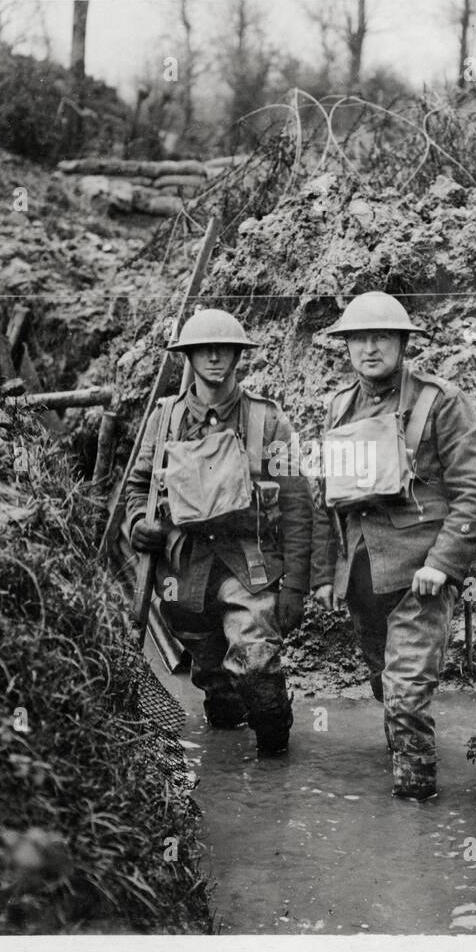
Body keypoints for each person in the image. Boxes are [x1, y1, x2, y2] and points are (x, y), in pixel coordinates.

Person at [310, 292, 476, 799]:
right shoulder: (337, 407)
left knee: (407, 693)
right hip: (364, 580)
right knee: (386, 685)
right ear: (346, 346)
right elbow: (330, 500)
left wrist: (443, 564)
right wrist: (327, 574)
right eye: (358, 339)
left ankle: (417, 803)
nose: (369, 348)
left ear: (401, 342)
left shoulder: (440, 402)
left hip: (421, 578)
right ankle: (400, 752)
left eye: (381, 337)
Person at [124, 308, 311, 755]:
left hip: (246, 565)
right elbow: (137, 486)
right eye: (203, 349)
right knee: (214, 683)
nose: (213, 357)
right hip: (184, 569)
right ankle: (227, 764)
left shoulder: (268, 421)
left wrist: (297, 586)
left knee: (256, 663)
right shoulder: (164, 419)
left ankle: (274, 751)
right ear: (187, 355)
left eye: (223, 348)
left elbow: (298, 505)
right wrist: (138, 524)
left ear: (237, 355)